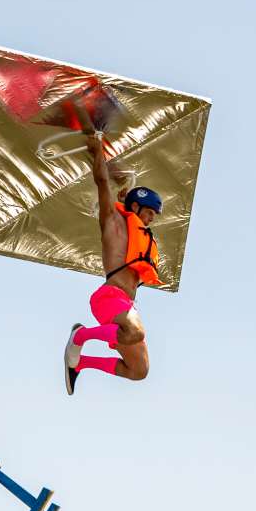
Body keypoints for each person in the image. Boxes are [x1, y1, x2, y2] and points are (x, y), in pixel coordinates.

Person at [63, 128, 165, 394]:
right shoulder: (112, 222)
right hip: (109, 297)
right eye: (149, 212)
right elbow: (101, 181)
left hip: (125, 305)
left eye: (155, 214)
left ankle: (81, 363)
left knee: (139, 371)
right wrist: (97, 147)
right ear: (134, 207)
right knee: (135, 333)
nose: (152, 218)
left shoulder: (140, 236)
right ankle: (80, 336)